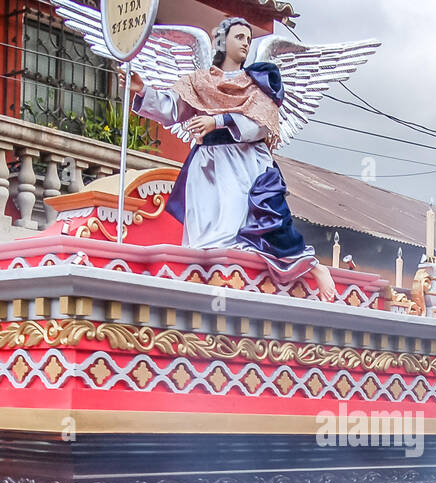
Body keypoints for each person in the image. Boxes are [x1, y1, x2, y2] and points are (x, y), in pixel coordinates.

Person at [127, 18, 336, 299]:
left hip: (242, 166)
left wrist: (218, 121)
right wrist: (142, 90)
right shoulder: (200, 81)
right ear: (223, 41)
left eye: (248, 39)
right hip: (207, 167)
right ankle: (204, 291)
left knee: (243, 234)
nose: (246, 43)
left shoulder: (255, 83)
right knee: (203, 243)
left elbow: (262, 125)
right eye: (239, 36)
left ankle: (304, 270)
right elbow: (171, 109)